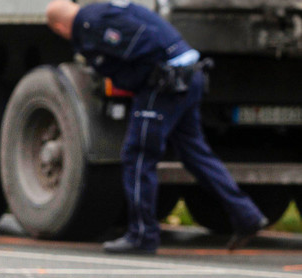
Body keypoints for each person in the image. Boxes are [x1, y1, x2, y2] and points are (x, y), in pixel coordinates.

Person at [45, 0, 268, 254]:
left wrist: (143, 76)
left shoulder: (92, 24)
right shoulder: (103, 11)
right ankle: (246, 215)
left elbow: (145, 43)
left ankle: (142, 235)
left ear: (61, 26)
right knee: (195, 154)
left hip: (165, 83)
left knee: (137, 155)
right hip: (187, 76)